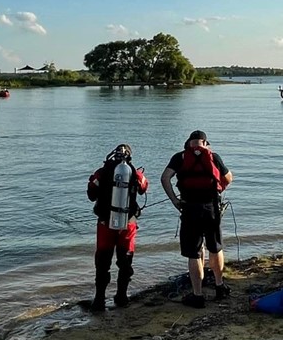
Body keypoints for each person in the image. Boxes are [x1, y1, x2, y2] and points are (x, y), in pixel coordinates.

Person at [161, 130, 233, 308]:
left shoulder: (180, 157)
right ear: (205, 143)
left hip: (189, 208)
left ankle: (197, 295)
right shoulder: (213, 156)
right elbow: (228, 178)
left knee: (194, 252)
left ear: (189, 143)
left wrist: (175, 200)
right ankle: (219, 286)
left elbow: (165, 178)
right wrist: (218, 190)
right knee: (215, 248)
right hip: (211, 208)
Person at [87, 144, 148, 312]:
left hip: (105, 224)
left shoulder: (102, 172)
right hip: (128, 224)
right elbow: (144, 188)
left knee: (102, 263)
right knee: (125, 261)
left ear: (113, 155)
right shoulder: (134, 173)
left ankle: (99, 300)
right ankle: (122, 297)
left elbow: (91, 194)